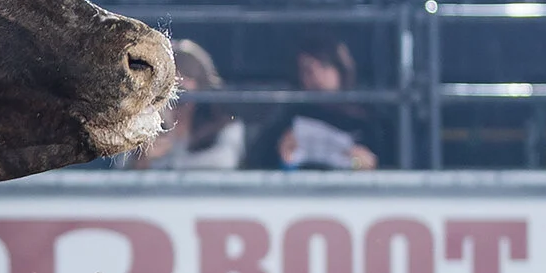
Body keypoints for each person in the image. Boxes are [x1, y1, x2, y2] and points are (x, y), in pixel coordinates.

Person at [255, 35, 384, 172]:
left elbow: (391, 168)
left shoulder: (369, 122)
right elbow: (258, 164)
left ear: (340, 69)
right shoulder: (290, 118)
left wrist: (362, 163)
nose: (317, 76)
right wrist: (283, 156)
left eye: (324, 65)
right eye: (307, 70)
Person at [124, 40, 244, 171]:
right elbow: (120, 166)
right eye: (169, 78)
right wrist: (143, 158)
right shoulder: (143, 124)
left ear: (201, 83)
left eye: (186, 76)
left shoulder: (225, 125)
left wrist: (174, 162)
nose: (176, 85)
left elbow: (225, 160)